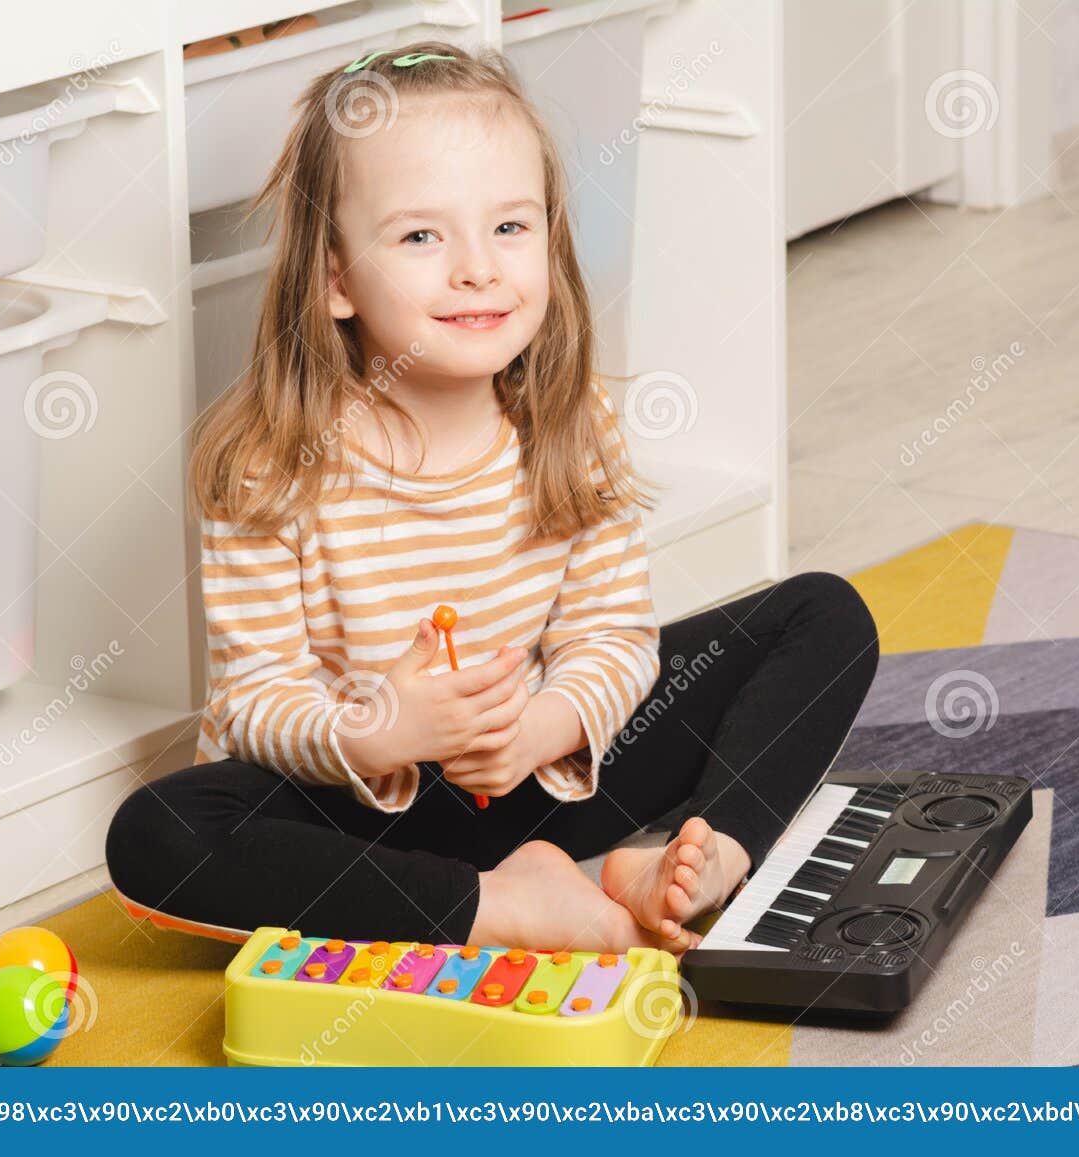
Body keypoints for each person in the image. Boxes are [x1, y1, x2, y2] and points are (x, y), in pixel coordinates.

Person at [105, 40, 879, 956]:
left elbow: (610, 637)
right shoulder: (268, 461)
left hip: (537, 777)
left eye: (511, 228)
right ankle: (502, 905)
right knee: (154, 831)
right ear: (336, 279)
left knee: (825, 616)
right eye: (421, 236)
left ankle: (703, 854)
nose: (478, 268)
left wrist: (538, 730)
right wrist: (381, 730)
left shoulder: (568, 418)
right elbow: (255, 701)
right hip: (358, 816)